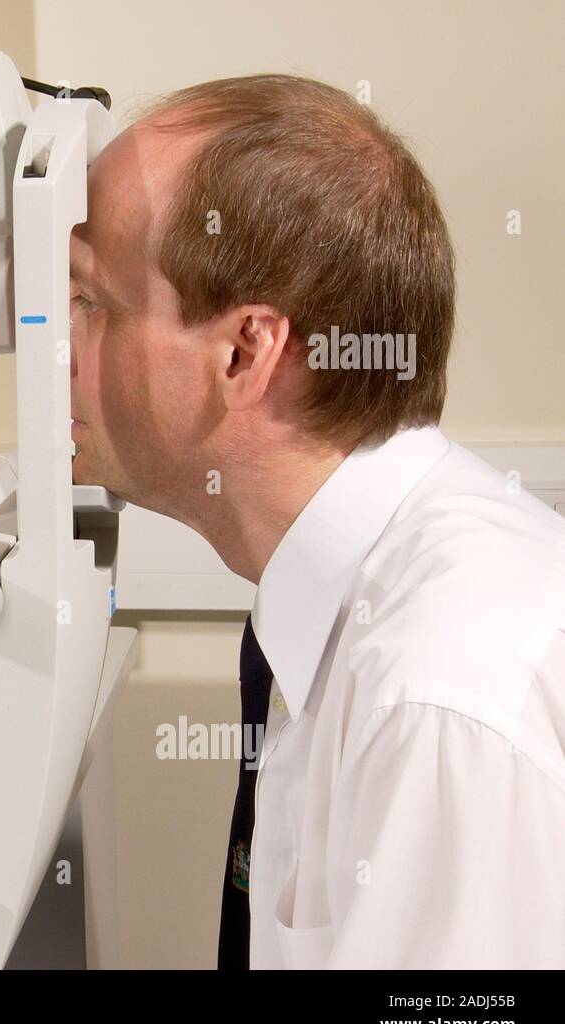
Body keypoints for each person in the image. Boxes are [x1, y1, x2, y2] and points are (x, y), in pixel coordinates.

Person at [68, 74, 565, 968]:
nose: (54, 348)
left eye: (93, 303)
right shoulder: (338, 603)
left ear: (246, 351)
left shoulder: (436, 695)